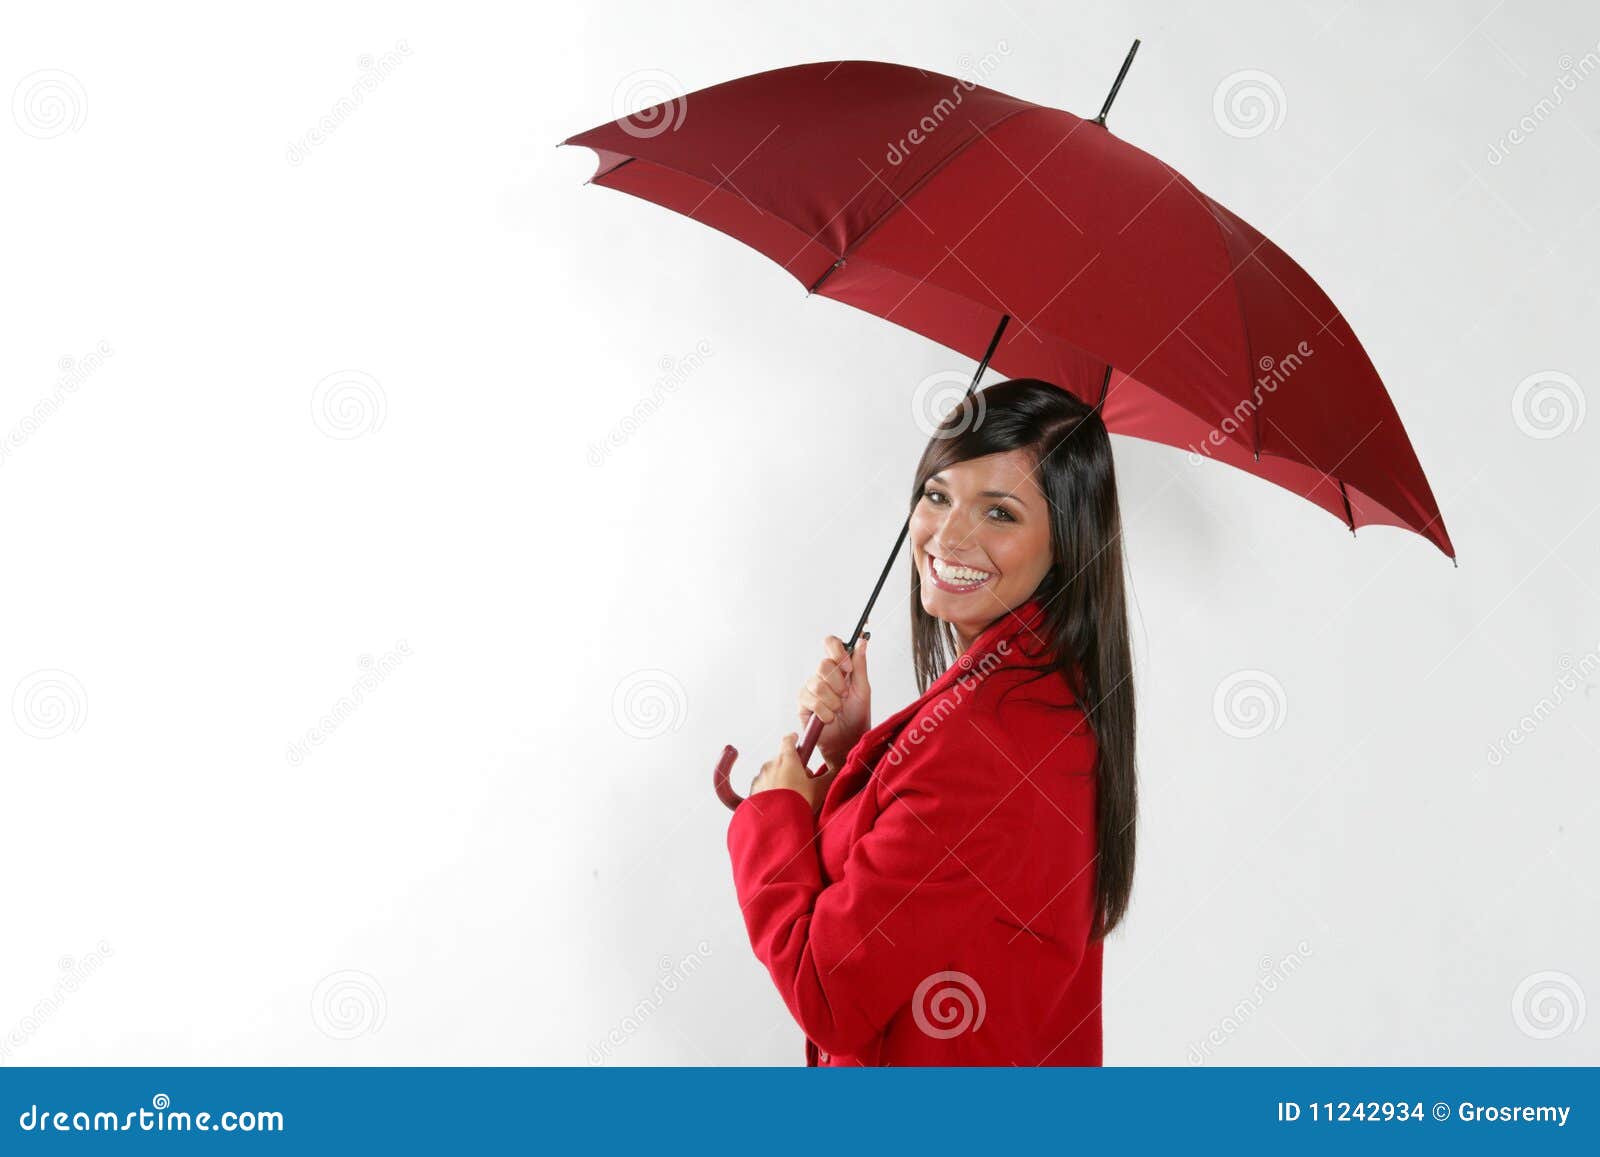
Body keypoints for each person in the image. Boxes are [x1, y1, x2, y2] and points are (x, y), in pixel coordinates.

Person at [726, 378, 1138, 1066]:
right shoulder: (1041, 695)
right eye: (938, 494)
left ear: (1066, 540)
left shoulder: (980, 744)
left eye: (1000, 513)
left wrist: (774, 811)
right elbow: (930, 896)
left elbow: (829, 993)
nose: (948, 535)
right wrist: (859, 757)